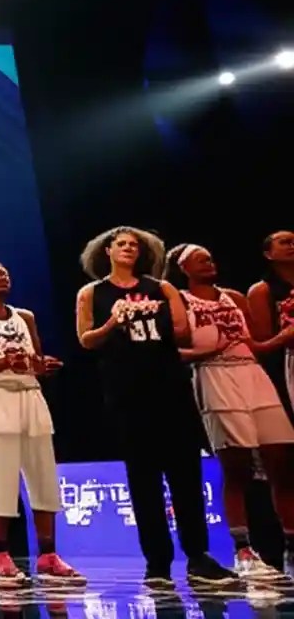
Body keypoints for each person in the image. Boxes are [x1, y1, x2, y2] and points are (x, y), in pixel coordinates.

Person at [75, 227, 235, 587]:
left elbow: (183, 333)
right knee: (143, 480)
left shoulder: (161, 288)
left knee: (185, 475)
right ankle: (157, 564)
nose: (129, 248)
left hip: (169, 387)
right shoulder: (92, 293)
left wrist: (157, 314)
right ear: (107, 251)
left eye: (135, 245)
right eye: (122, 244)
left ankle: (198, 556)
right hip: (126, 392)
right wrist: (116, 320)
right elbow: (86, 339)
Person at [166, 243, 294, 577]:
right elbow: (170, 351)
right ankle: (243, 549)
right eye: (200, 259)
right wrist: (205, 349)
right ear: (183, 268)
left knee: (281, 461)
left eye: (210, 257)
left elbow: (257, 339)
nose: (209, 262)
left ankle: (291, 544)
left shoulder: (234, 297)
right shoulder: (179, 299)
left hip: (252, 371)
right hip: (214, 374)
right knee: (236, 465)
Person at [0, 260, 83, 585]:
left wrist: (44, 365)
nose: (2, 275)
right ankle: (0, 555)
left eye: (5, 272)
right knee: (0, 479)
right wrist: (3, 362)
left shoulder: (25, 317)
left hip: (30, 394)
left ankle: (48, 555)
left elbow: (34, 362)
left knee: (43, 476)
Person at [247, 230, 294, 418]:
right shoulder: (261, 290)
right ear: (268, 254)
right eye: (285, 242)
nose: (292, 246)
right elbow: (264, 338)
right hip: (287, 359)